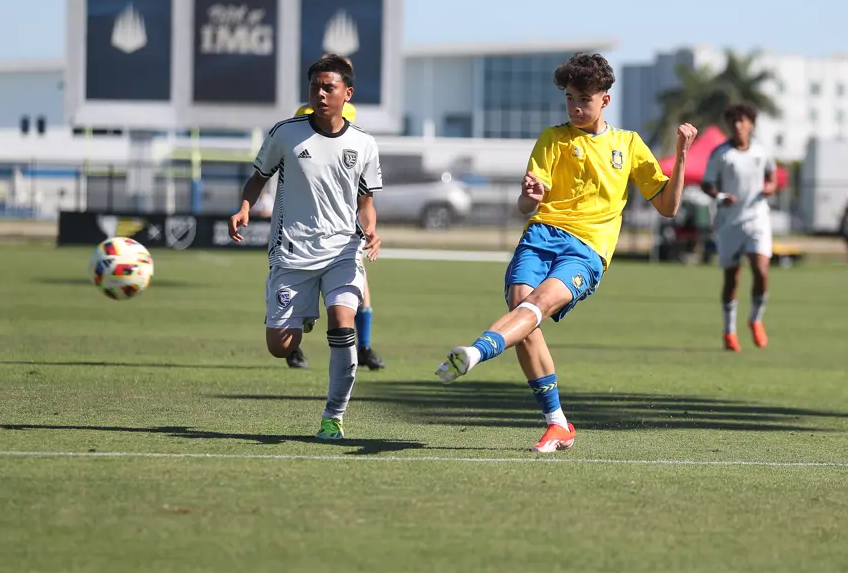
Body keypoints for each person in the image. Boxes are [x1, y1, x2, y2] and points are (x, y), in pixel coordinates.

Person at [433, 52, 697, 453]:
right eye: (570, 98)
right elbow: (526, 205)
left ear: (605, 100)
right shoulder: (552, 138)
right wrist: (529, 196)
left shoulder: (628, 145)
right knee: (523, 311)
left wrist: (680, 157)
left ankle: (475, 352)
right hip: (540, 236)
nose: (575, 107)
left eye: (584, 100)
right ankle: (558, 424)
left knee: (534, 305)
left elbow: (668, 207)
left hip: (587, 250)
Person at [228, 54, 383, 440]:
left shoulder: (364, 144)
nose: (320, 93)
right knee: (281, 347)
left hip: (343, 252)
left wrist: (372, 231)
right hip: (292, 252)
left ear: (347, 93)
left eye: (329, 87)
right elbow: (258, 178)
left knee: (342, 324)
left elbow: (366, 204)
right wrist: (245, 207)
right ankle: (302, 317)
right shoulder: (286, 133)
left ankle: (334, 417)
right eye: (315, 86)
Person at [286, 96, 386, 372]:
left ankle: (363, 348)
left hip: (344, 226)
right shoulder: (303, 115)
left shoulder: (352, 125)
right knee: (294, 294)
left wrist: (369, 228)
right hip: (303, 228)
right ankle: (292, 347)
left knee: (361, 289)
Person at [699, 102, 778, 352]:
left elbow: (773, 177)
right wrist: (721, 196)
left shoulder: (762, 152)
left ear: (751, 124)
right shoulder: (721, 154)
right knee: (732, 278)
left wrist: (770, 188)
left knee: (761, 269)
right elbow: (707, 183)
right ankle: (729, 332)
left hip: (757, 218)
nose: (737, 125)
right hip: (729, 221)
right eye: (733, 121)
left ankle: (755, 319)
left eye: (742, 120)